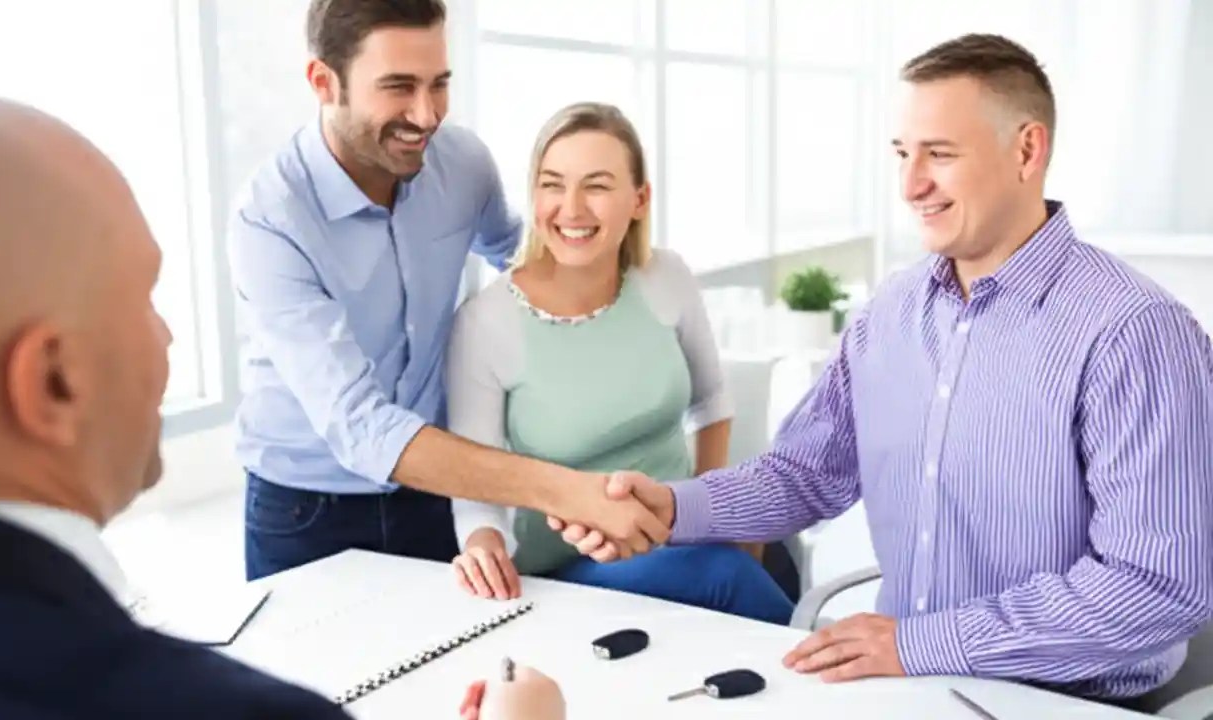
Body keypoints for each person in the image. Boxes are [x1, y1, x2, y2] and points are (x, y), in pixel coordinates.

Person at [554, 33, 1213, 707]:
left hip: (1064, 700)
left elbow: (1158, 586)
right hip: (902, 685)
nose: (910, 185)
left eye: (940, 155)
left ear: (1027, 151)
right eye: (903, 154)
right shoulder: (891, 313)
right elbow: (807, 473)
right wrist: (672, 507)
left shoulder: (1136, 334)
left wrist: (917, 643)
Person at [0, 93, 564, 720]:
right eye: (143, 300)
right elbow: (360, 426)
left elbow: (515, 250)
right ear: (54, 381)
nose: (168, 336)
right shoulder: (228, 708)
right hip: (305, 503)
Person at [230, 0, 668, 583]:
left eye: (439, 84)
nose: (427, 114)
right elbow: (359, 427)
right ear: (323, 82)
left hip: (436, 492)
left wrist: (621, 284)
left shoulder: (462, 165)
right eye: (398, 87)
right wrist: (565, 490)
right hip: (306, 510)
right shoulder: (270, 219)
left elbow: (526, 264)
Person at [445, 102, 794, 625]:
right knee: (727, 576)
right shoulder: (485, 324)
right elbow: (474, 482)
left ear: (639, 199)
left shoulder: (666, 276)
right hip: (571, 565)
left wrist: (714, 512)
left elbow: (711, 402)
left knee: (775, 557)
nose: (572, 208)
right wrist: (482, 542)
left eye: (598, 186)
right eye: (552, 184)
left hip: (679, 532)